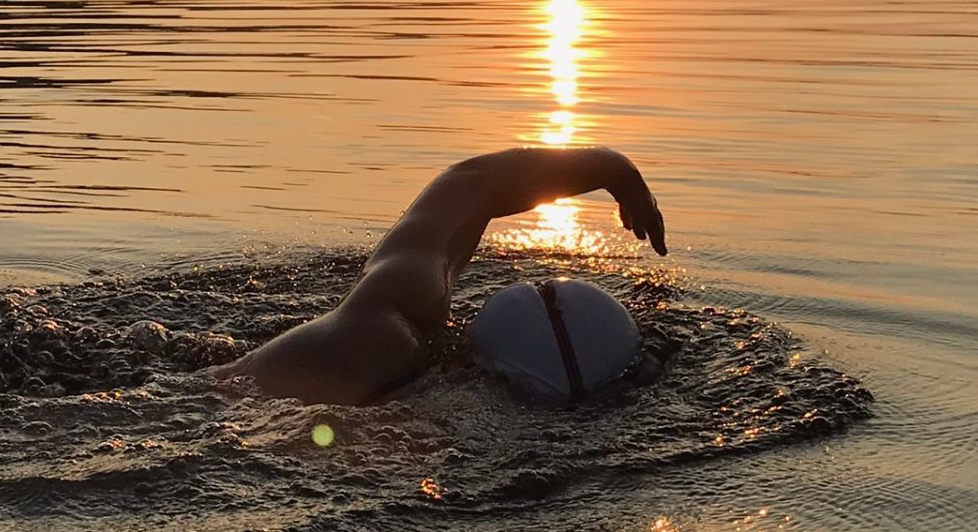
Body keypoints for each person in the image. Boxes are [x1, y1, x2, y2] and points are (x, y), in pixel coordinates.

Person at [207, 146, 666, 405]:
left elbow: (473, 182)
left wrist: (615, 170)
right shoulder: (408, 355)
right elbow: (476, 185)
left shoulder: (388, 330)